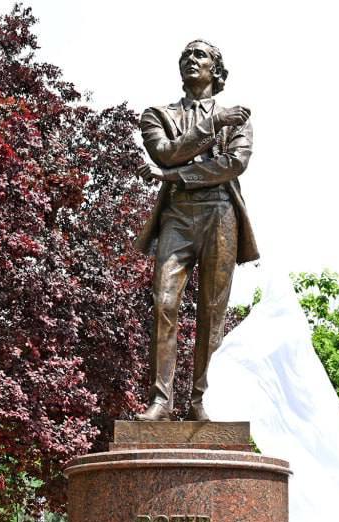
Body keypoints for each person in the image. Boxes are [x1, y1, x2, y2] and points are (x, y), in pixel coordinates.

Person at [134, 39, 258, 422]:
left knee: (212, 311)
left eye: (200, 55)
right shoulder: (157, 114)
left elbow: (233, 164)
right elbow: (166, 151)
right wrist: (213, 125)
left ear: (215, 70)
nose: (191, 60)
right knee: (163, 302)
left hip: (221, 214)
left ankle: (203, 399)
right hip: (178, 216)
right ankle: (160, 400)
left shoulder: (239, 117)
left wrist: (174, 176)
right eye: (186, 55)